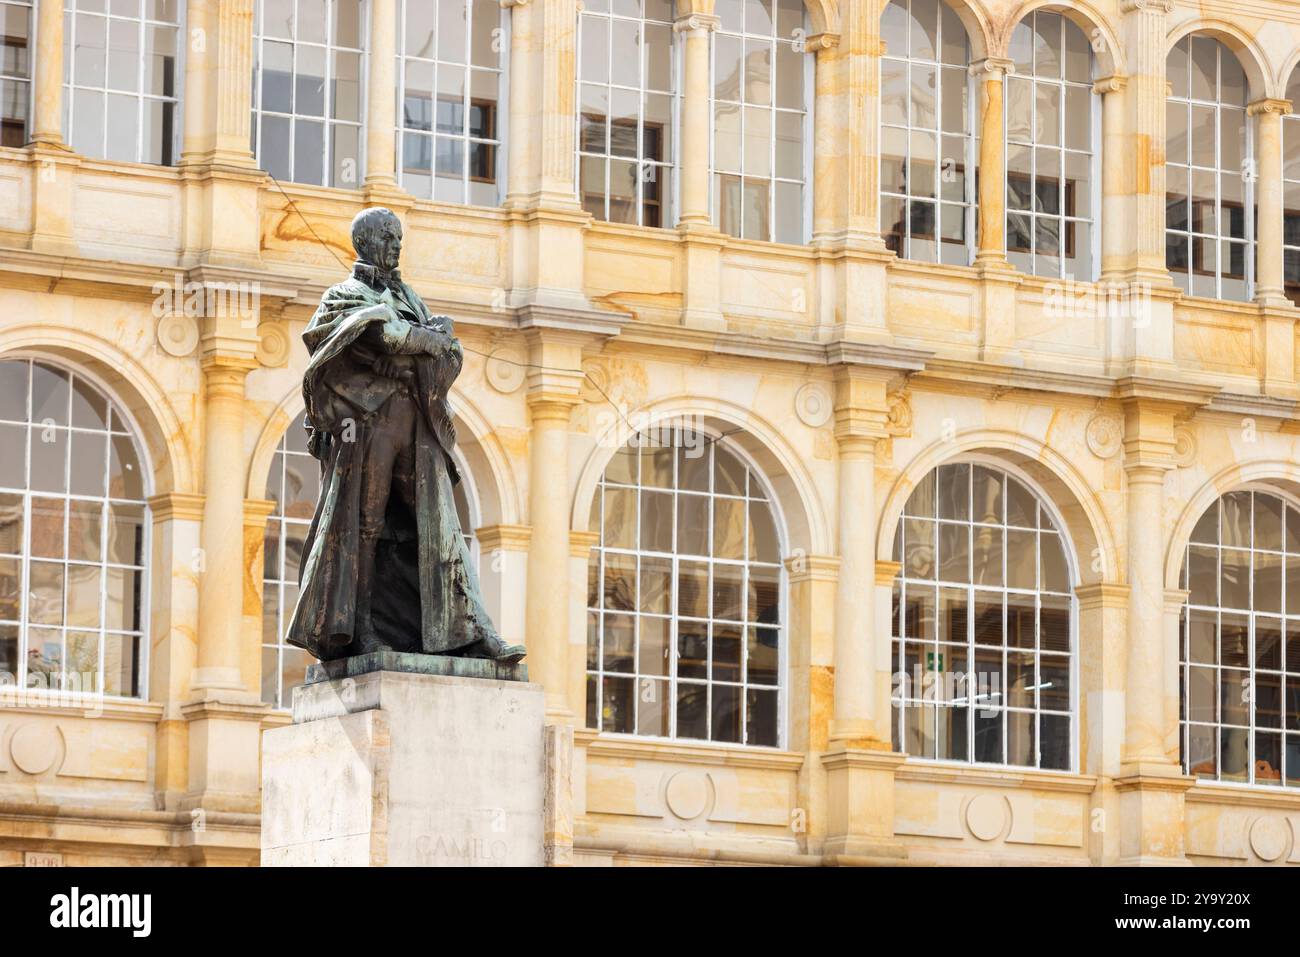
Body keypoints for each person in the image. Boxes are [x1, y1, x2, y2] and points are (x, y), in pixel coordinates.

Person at [285, 207, 525, 663]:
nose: (397, 246)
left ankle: (472, 632)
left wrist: (425, 340)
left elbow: (442, 349)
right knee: (364, 525)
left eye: (399, 238)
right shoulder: (343, 295)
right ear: (367, 242)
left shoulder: (411, 298)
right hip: (368, 425)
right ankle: (359, 629)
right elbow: (376, 336)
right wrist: (417, 340)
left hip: (414, 423)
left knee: (439, 528)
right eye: (389, 237)